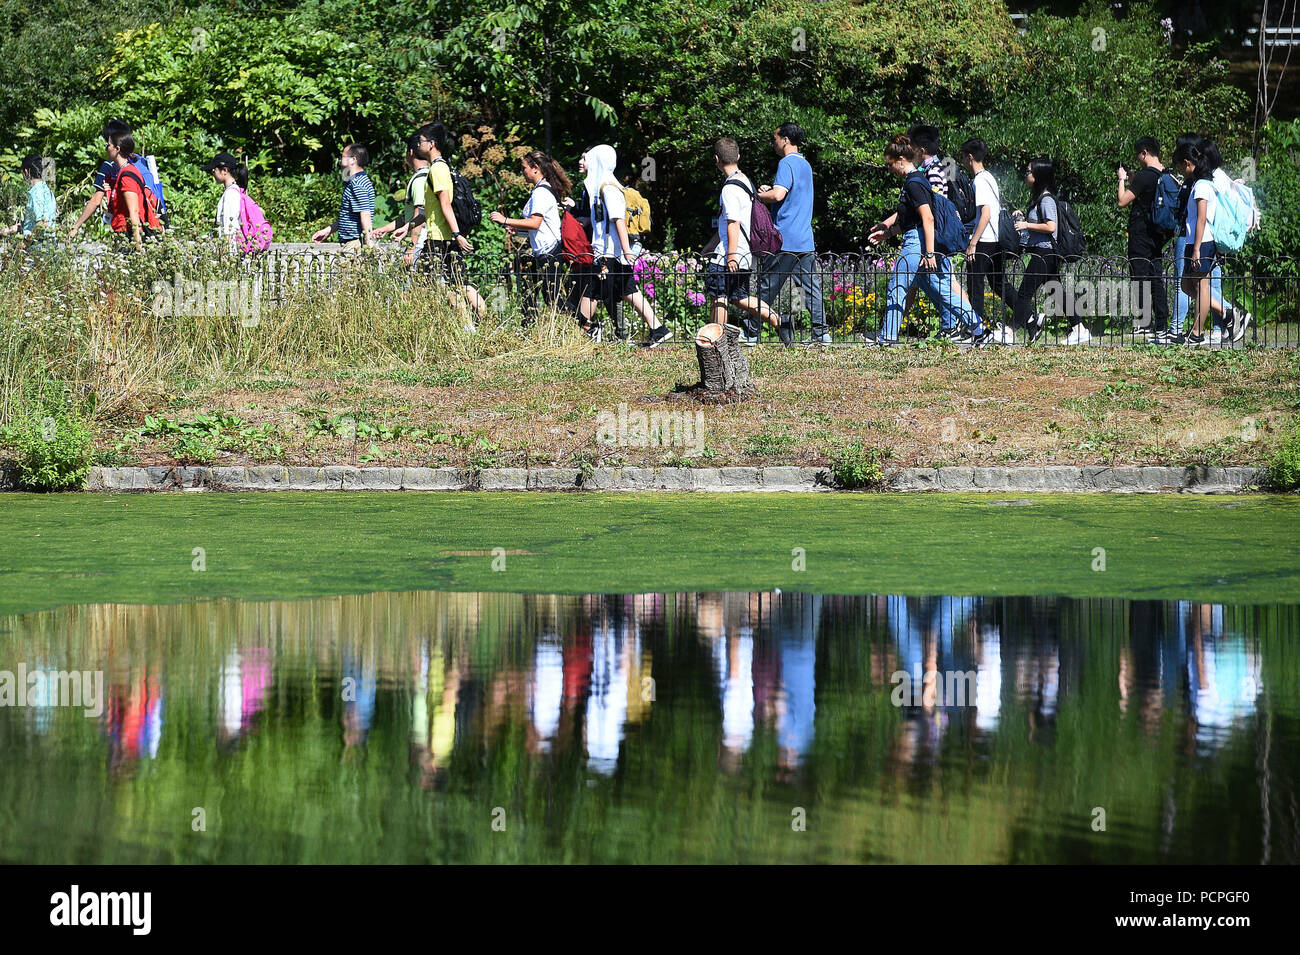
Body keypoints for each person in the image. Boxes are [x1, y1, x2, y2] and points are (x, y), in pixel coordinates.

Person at [868, 134, 987, 346]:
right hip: (918, 240)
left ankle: (887, 338)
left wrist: (929, 253)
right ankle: (979, 330)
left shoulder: (915, 183)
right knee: (942, 292)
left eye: (890, 164)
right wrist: (886, 232)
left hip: (918, 243)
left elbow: (928, 218)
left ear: (901, 160)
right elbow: (910, 220)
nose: (889, 169)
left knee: (897, 287)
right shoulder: (914, 182)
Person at [700, 137, 786, 346]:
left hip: (730, 254)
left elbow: (733, 223)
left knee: (719, 297)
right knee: (740, 297)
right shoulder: (745, 181)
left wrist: (730, 255)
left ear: (717, 160)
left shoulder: (729, 188)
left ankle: (716, 343)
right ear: (738, 157)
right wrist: (710, 246)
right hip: (745, 253)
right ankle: (779, 321)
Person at [584, 143, 671, 348]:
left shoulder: (608, 188)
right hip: (610, 251)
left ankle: (582, 330)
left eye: (589, 159)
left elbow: (618, 221)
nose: (585, 162)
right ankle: (659, 330)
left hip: (610, 252)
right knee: (627, 289)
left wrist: (626, 251)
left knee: (592, 290)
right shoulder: (602, 187)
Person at [756, 122, 828, 345]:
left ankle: (750, 331)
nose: (774, 143)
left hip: (785, 239)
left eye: (775, 138)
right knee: (811, 288)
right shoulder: (805, 164)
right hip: (805, 239)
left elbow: (778, 195)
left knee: (767, 286)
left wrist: (758, 196)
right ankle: (821, 333)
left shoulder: (786, 163)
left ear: (785, 139)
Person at [418, 122, 487, 322]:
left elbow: (445, 204)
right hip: (446, 236)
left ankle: (468, 324)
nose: (418, 145)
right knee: (459, 282)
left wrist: (457, 235)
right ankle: (478, 322)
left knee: (426, 284)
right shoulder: (442, 167)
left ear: (431, 144)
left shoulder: (437, 169)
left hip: (439, 237)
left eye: (421, 141)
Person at [490, 149, 568, 324]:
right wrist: (518, 230)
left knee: (553, 298)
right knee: (547, 296)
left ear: (535, 168)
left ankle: (585, 325)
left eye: (523, 168)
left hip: (549, 251)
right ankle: (531, 324)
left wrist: (505, 220)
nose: (522, 172)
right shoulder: (540, 189)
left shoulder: (541, 192)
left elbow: (535, 222)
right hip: (545, 250)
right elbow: (538, 227)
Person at [959, 139, 1018, 344]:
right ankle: (1028, 316)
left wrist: (972, 242)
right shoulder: (990, 178)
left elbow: (985, 213)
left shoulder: (979, 180)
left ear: (970, 157)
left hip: (983, 239)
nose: (962, 162)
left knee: (975, 284)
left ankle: (976, 329)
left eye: (963, 157)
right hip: (996, 238)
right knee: (999, 283)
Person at [1117, 136, 1172, 344]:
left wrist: (1122, 179)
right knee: (1156, 276)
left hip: (1140, 233)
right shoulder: (1164, 173)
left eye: (1138, 155)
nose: (1138, 159)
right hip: (1157, 233)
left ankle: (1144, 323)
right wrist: (1134, 180)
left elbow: (1122, 201)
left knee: (1139, 276)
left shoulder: (1144, 175)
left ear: (1145, 153)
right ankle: (1161, 325)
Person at [1012, 156, 1067, 343]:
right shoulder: (1039, 199)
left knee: (1024, 293)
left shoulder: (1046, 200)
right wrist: (1023, 217)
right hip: (1043, 252)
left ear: (1038, 175)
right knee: (1057, 292)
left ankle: (1011, 331)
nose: (1025, 175)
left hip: (1045, 252)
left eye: (1028, 171)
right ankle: (1080, 328)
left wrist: (1026, 225)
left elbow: (1051, 227)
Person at [69, 118, 132, 238]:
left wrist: (76, 227)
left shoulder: (109, 165)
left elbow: (96, 200)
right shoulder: (139, 161)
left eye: (108, 144)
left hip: (123, 225)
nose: (106, 148)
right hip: (145, 221)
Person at [376, 133, 430, 268]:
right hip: (419, 242)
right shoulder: (428, 174)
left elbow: (420, 213)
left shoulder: (419, 180)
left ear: (410, 152)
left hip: (419, 244)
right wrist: (386, 228)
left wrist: (411, 249)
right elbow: (409, 216)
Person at [105, 130, 161, 252]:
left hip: (128, 235)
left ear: (117, 149)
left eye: (108, 145)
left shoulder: (127, 176)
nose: (106, 148)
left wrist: (138, 245)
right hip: (124, 232)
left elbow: (134, 211)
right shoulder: (126, 172)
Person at [312, 143, 375, 249]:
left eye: (342, 157)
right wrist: (327, 230)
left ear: (353, 160)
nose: (340, 160)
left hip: (354, 244)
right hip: (351, 242)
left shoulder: (358, 184)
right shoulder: (356, 182)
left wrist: (369, 244)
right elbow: (348, 217)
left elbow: (365, 215)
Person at [1, 154, 57, 239]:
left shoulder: (36, 193)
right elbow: (36, 220)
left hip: (38, 245)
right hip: (49, 241)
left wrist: (24, 244)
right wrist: (11, 229)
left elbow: (41, 224)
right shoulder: (46, 189)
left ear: (26, 172)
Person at [200, 151, 246, 239]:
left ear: (224, 170)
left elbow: (229, 228)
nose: (213, 174)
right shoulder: (233, 191)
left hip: (231, 249)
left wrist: (226, 251)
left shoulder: (231, 194)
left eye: (214, 171)